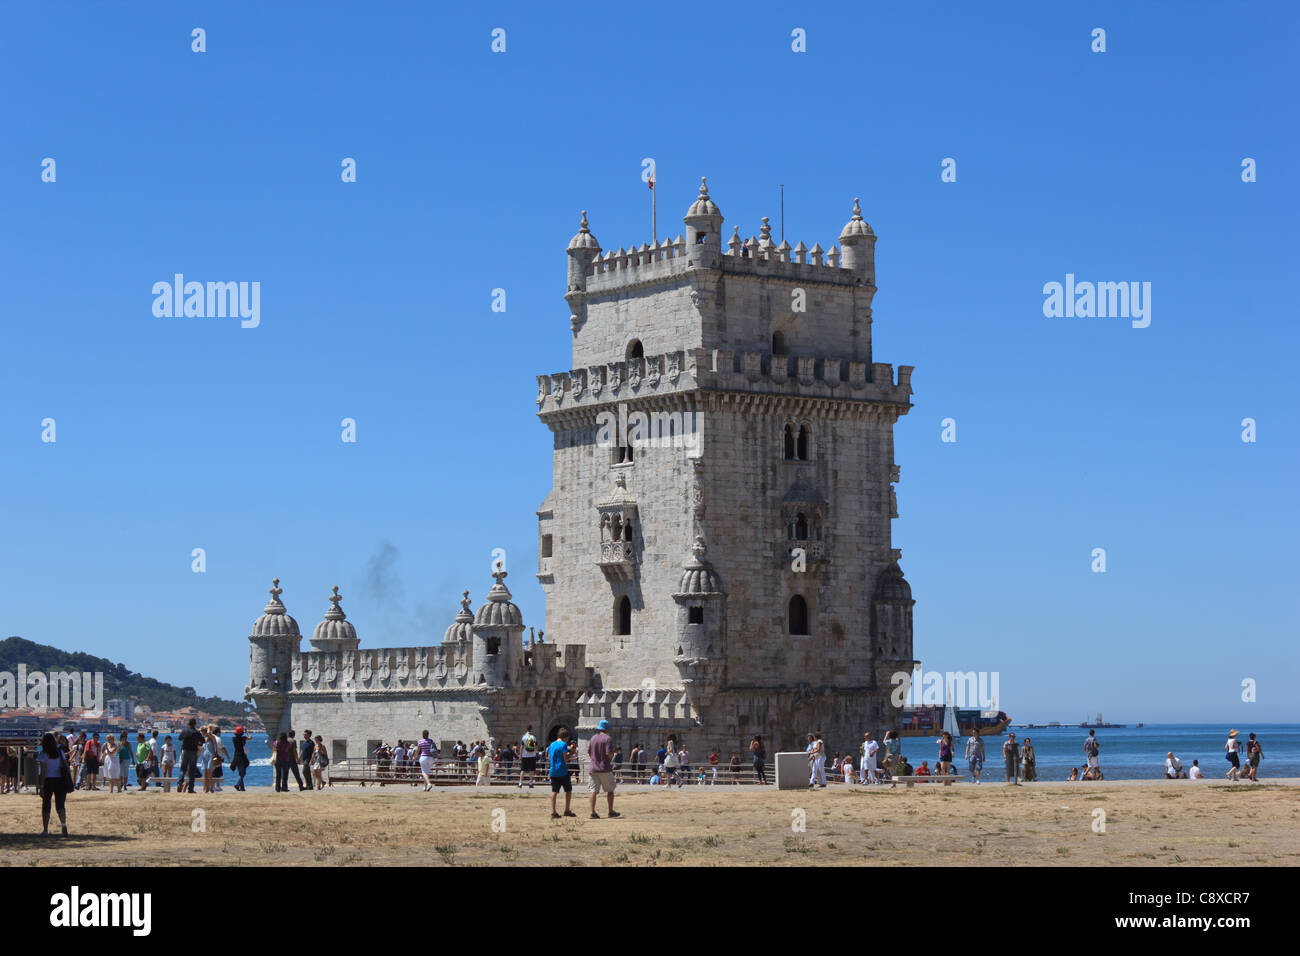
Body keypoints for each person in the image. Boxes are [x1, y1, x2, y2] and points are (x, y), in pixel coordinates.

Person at [36, 733, 70, 837]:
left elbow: (43, 771)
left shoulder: (43, 754)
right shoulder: (60, 752)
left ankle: (45, 829)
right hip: (60, 780)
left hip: (48, 781)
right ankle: (63, 824)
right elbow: (66, 765)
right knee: (60, 805)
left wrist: (41, 786)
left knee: (46, 805)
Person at [587, 719, 620, 819]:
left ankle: (592, 812)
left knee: (593, 791)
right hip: (605, 768)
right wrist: (615, 751)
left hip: (593, 768)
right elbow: (608, 753)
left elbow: (589, 752)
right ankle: (610, 811)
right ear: (607, 729)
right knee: (610, 790)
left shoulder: (593, 738)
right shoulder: (608, 739)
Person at [548, 728, 576, 819]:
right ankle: (567, 810)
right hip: (562, 770)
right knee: (568, 790)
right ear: (566, 737)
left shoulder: (551, 744)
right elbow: (565, 759)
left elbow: (549, 757)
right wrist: (571, 753)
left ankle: (553, 811)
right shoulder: (563, 744)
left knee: (554, 791)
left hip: (553, 770)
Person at [177, 719, 203, 793]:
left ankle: (179, 783)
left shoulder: (185, 731)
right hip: (193, 752)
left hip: (185, 751)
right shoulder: (196, 732)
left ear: (188, 723)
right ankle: (190, 788)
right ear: (195, 724)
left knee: (183, 769)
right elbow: (202, 741)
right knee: (192, 771)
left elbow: (179, 738)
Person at [231, 726, 250, 791]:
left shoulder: (234, 739)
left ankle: (242, 787)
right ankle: (237, 784)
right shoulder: (243, 739)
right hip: (242, 756)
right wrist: (246, 731)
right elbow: (250, 738)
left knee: (240, 772)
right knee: (243, 773)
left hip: (236, 756)